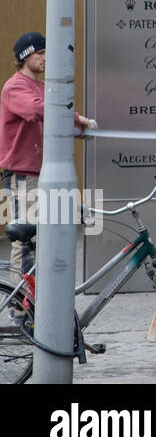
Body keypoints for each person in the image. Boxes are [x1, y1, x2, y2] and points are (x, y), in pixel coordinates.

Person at [1, 32, 93, 275]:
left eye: (47, 53)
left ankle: (43, 301)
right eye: (40, 53)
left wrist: (74, 128)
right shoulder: (15, 86)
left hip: (46, 172)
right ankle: (20, 310)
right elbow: (36, 109)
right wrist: (73, 118)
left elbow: (50, 119)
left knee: (51, 237)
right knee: (25, 242)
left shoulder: (43, 87)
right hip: (24, 175)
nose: (45, 58)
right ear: (24, 57)